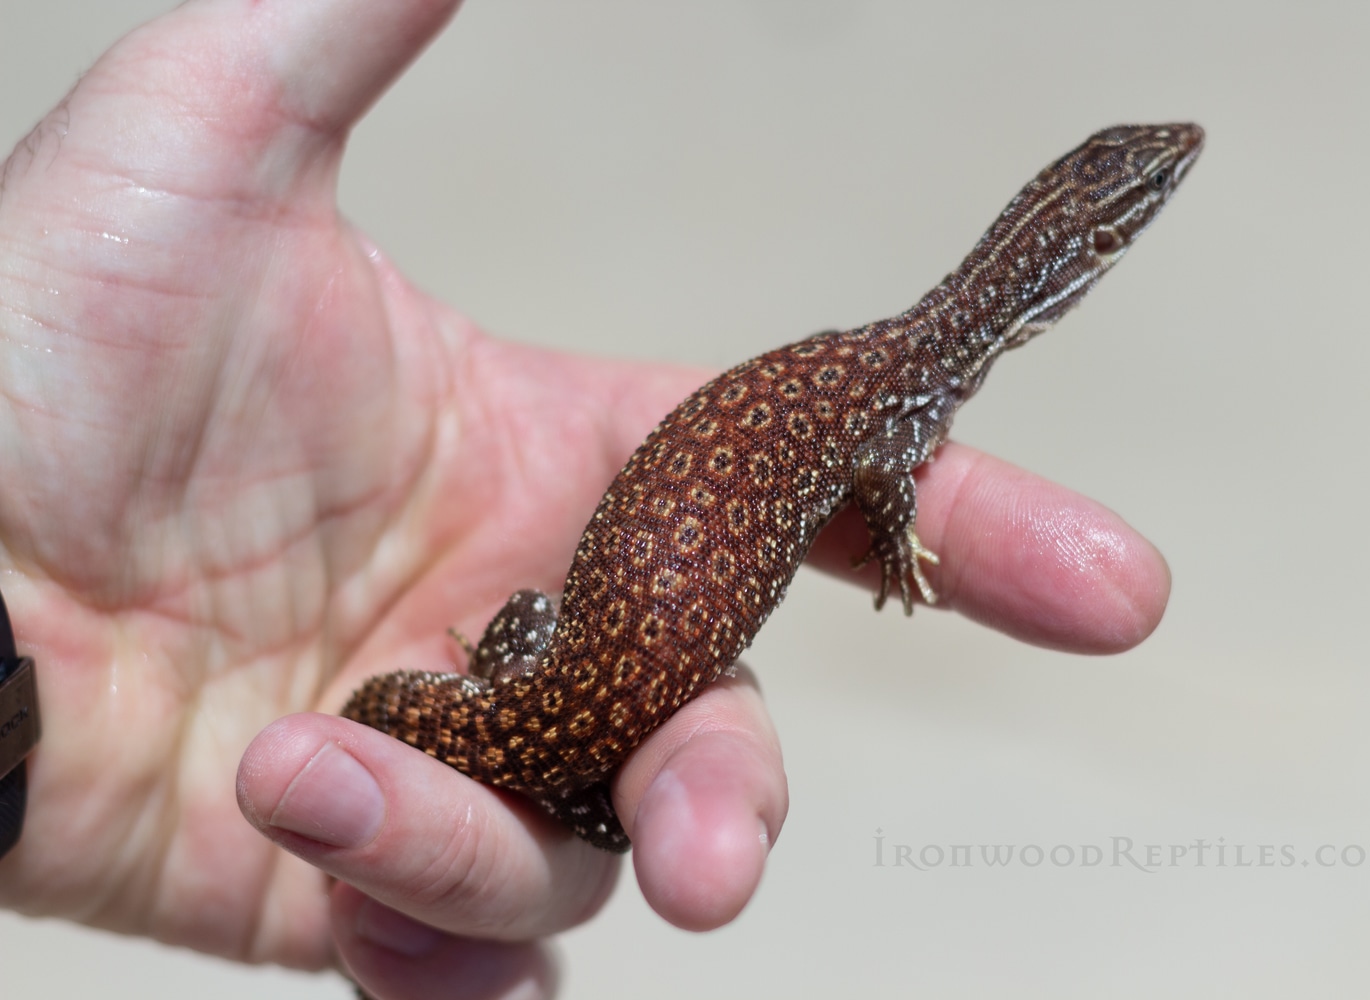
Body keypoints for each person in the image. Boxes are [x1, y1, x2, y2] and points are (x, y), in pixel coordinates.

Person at [0, 2, 1171, 997]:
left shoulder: (884, 370)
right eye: (1142, 193)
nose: (1164, 180)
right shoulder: (901, 397)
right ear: (1084, 257)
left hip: (532, 683)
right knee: (606, 806)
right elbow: (877, 478)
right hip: (541, 696)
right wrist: (900, 527)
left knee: (594, 780)